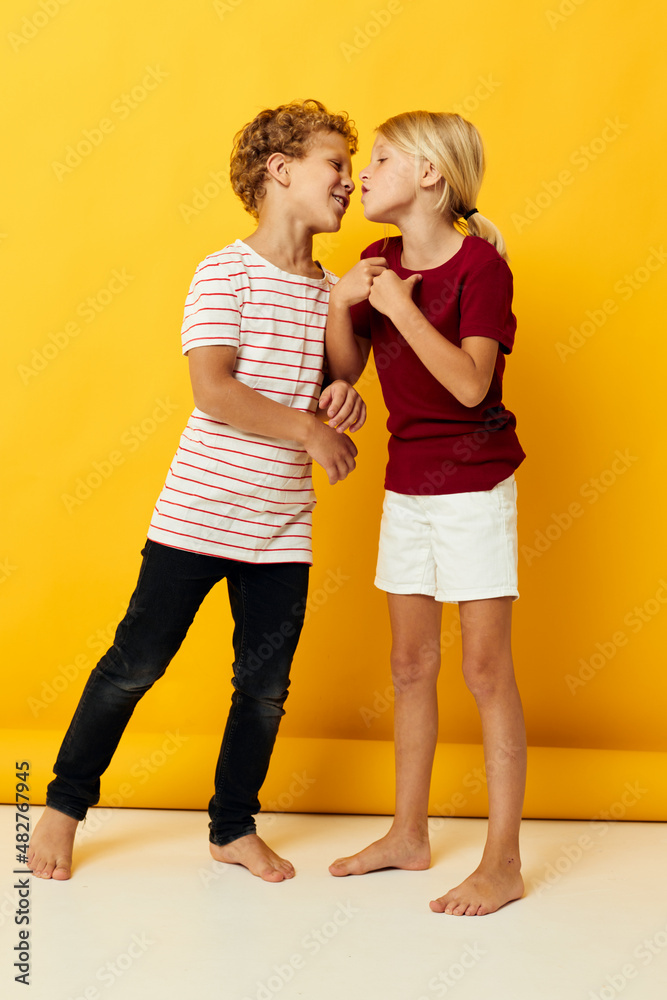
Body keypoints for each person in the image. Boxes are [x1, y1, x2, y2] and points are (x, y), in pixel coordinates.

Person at [28, 99, 364, 884]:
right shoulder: (224, 271)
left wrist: (340, 399)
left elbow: (341, 379)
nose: (348, 181)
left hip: (281, 528)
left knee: (265, 689)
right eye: (335, 165)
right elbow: (213, 390)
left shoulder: (333, 289)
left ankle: (231, 827)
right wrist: (311, 431)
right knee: (133, 666)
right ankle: (64, 804)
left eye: (351, 168)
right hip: (198, 516)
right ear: (280, 172)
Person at [324, 111, 527, 916]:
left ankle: (502, 862)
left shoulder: (481, 267)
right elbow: (348, 367)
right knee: (409, 667)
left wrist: (399, 308)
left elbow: (472, 386)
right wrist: (345, 310)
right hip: (404, 486)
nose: (362, 174)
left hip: (475, 487)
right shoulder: (374, 261)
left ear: (430, 177)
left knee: (484, 670)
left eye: (378, 159)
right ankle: (408, 835)